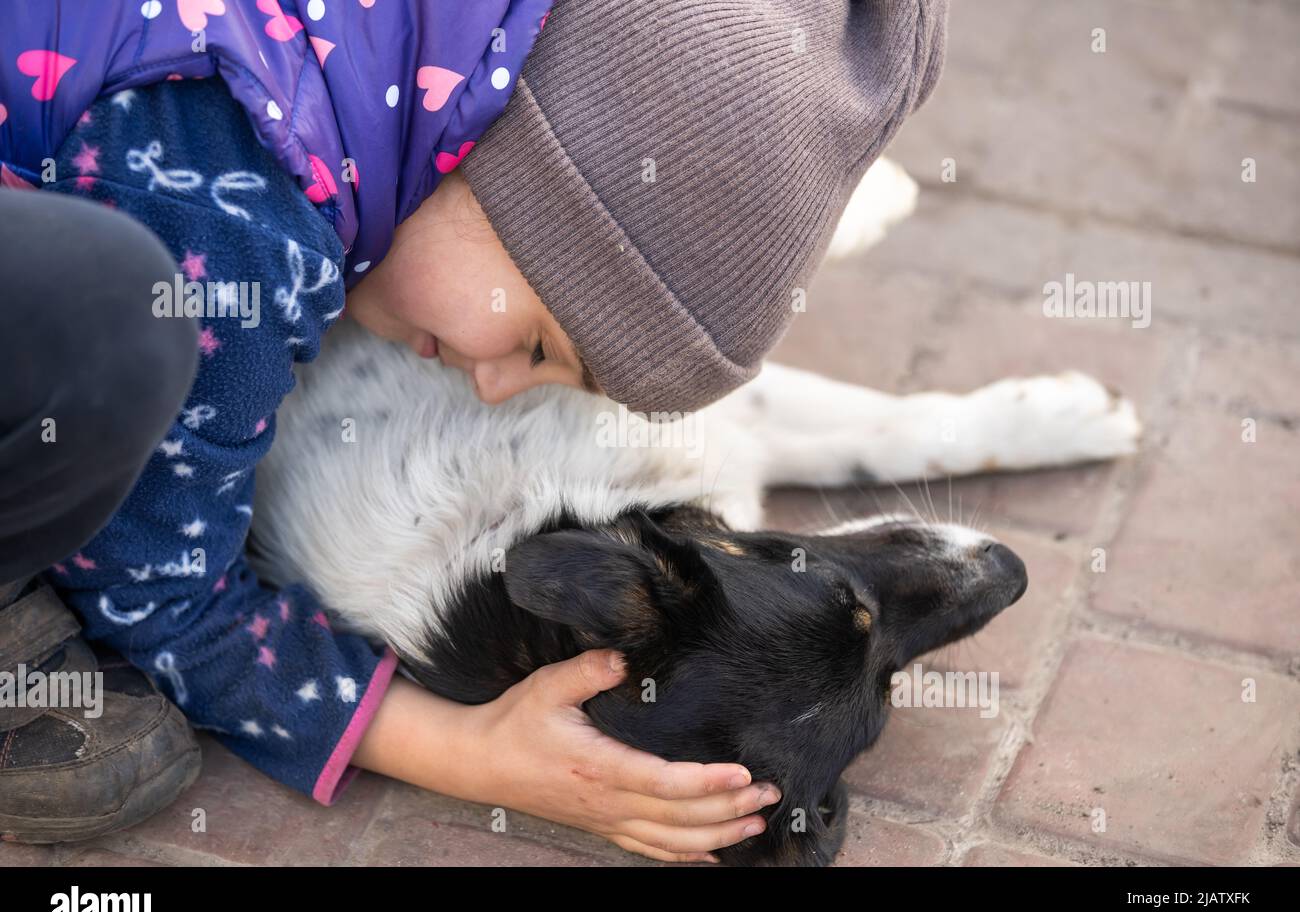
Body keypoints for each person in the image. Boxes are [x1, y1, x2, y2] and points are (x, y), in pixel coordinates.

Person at [0, 0, 947, 861]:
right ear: (511, 176)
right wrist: (463, 754)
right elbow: (164, 598)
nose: (494, 388)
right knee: (116, 327)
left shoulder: (417, 49)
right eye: (538, 343)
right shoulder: (242, 229)